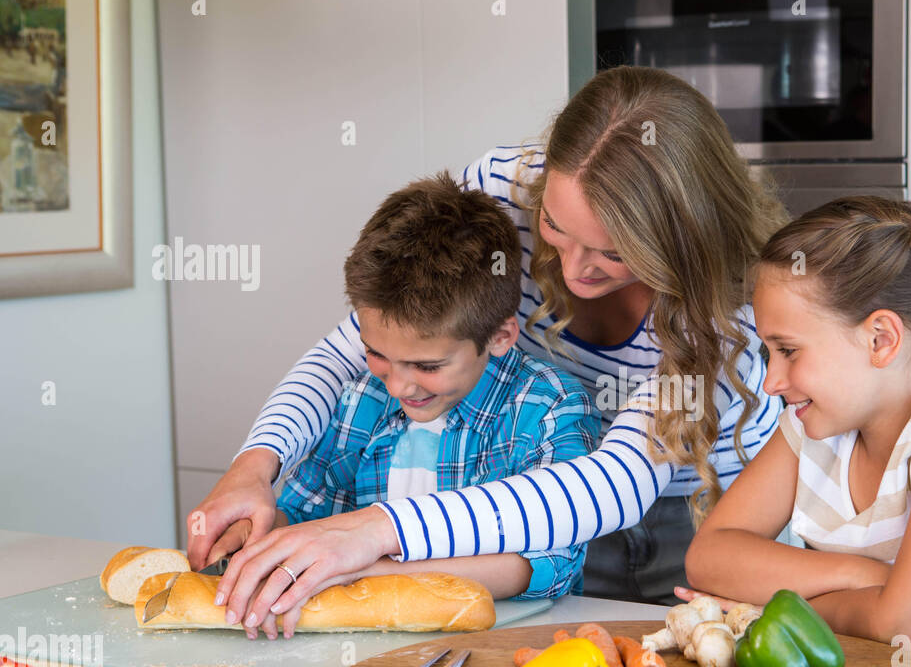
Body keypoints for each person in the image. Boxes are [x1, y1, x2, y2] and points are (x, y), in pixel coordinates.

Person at [189, 66, 789, 630]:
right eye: (556, 226)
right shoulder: (505, 192)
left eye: (613, 251)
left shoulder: (729, 302)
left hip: (708, 520)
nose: (575, 269)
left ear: (677, 238)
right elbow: (351, 347)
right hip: (549, 501)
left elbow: (619, 482)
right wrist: (253, 468)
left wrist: (377, 531)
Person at [236, 171, 599, 638]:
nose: (398, 387)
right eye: (376, 355)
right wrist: (258, 533)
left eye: (426, 365)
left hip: (510, 646)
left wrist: (365, 572)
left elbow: (549, 564)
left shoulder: (548, 408)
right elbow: (307, 514)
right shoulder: (361, 401)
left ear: (500, 336)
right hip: (365, 649)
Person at [683, 196, 911, 646]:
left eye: (789, 351)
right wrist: (865, 575)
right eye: (768, 352)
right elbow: (710, 556)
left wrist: (773, 613)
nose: (772, 382)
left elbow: (906, 628)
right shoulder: (815, 423)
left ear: (881, 339)